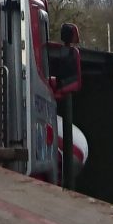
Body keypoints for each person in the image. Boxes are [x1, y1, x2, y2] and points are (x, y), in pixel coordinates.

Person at [45, 21, 84, 184]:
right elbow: (77, 79)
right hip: (63, 88)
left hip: (60, 88)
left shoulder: (56, 50)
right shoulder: (73, 53)